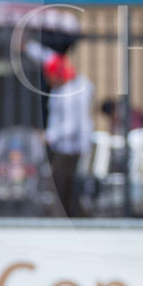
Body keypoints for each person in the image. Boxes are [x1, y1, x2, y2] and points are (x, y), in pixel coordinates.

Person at [42, 52, 94, 218]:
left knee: (62, 187)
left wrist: (49, 136)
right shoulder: (62, 90)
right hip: (65, 148)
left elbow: (70, 127)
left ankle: (72, 217)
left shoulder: (69, 93)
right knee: (65, 187)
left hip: (70, 149)